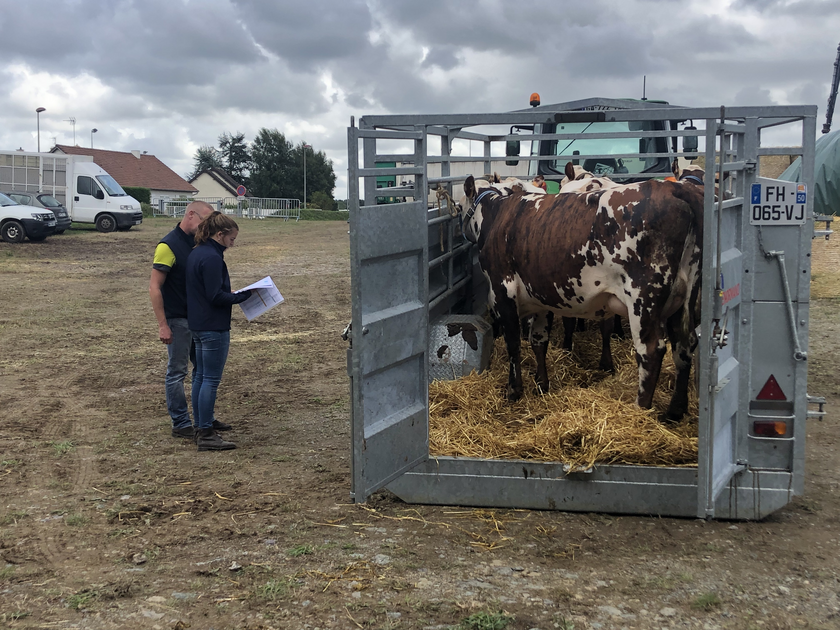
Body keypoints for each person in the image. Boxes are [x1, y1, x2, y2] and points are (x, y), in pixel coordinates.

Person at [150, 200, 231, 440]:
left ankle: (202, 418)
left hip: (198, 320)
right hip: (178, 319)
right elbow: (155, 286)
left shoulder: (198, 243)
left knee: (202, 372)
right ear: (191, 214)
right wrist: (163, 324)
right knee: (177, 371)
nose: (208, 225)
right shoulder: (168, 245)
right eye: (205, 220)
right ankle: (181, 422)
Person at [186, 212, 252, 451]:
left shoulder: (196, 253)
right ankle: (205, 433)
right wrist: (243, 296)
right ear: (220, 234)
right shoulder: (212, 258)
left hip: (198, 324)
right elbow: (215, 296)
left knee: (200, 376)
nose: (233, 244)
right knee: (209, 379)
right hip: (213, 326)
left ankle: (202, 424)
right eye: (231, 239)